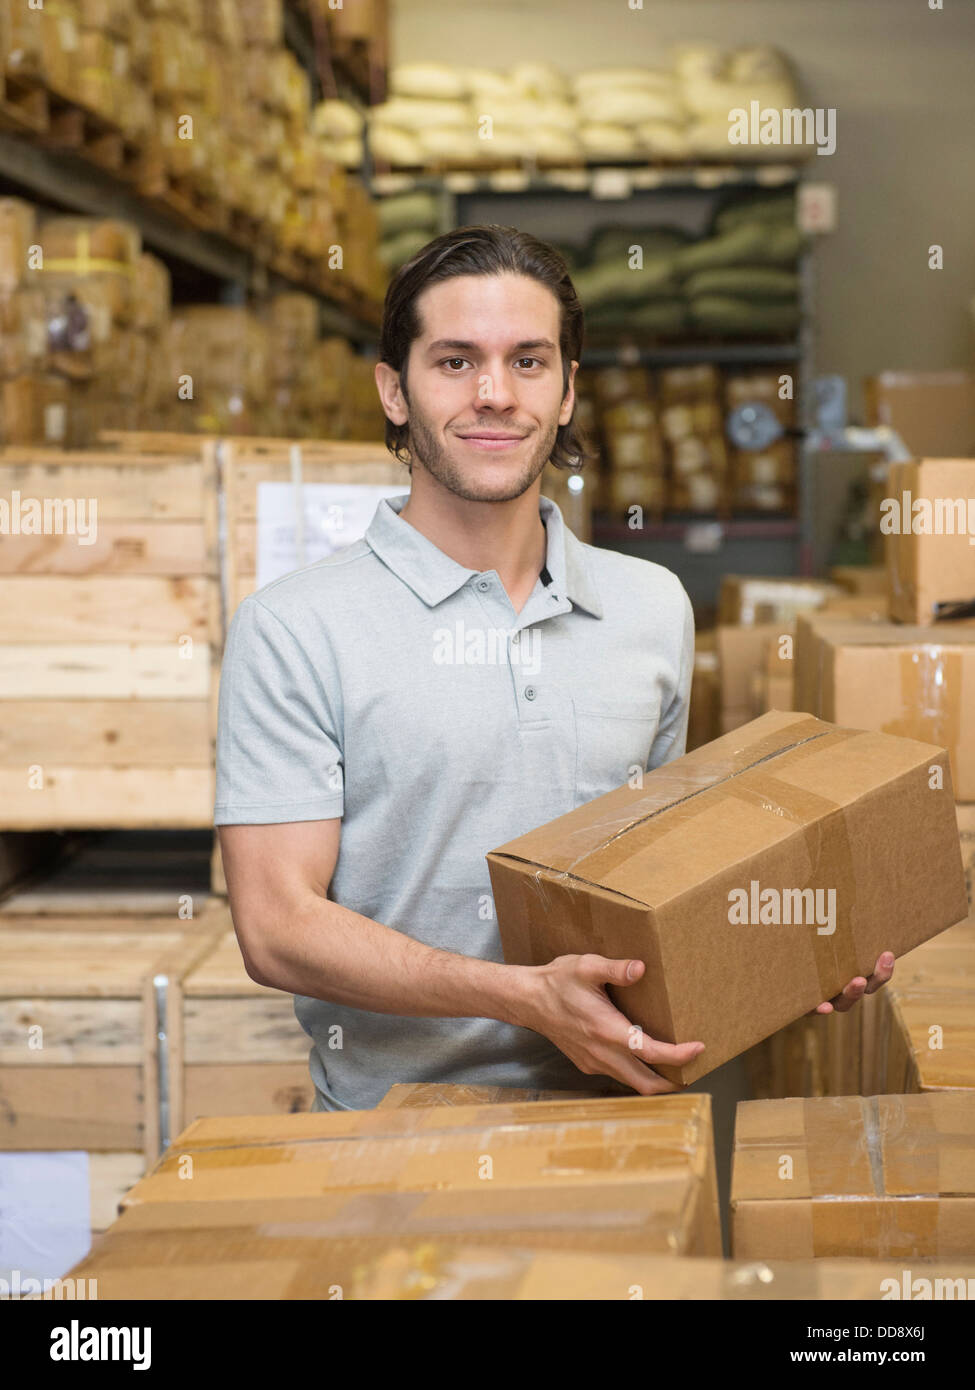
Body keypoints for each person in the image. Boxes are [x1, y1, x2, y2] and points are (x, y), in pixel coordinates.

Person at [214, 224, 893, 1112]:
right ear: (392, 389)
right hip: (390, 1135)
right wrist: (525, 999)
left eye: (528, 362)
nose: (494, 394)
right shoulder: (294, 627)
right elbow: (276, 930)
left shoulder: (651, 608)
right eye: (454, 362)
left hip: (625, 1122)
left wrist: (788, 950)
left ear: (568, 391)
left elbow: (651, 882)